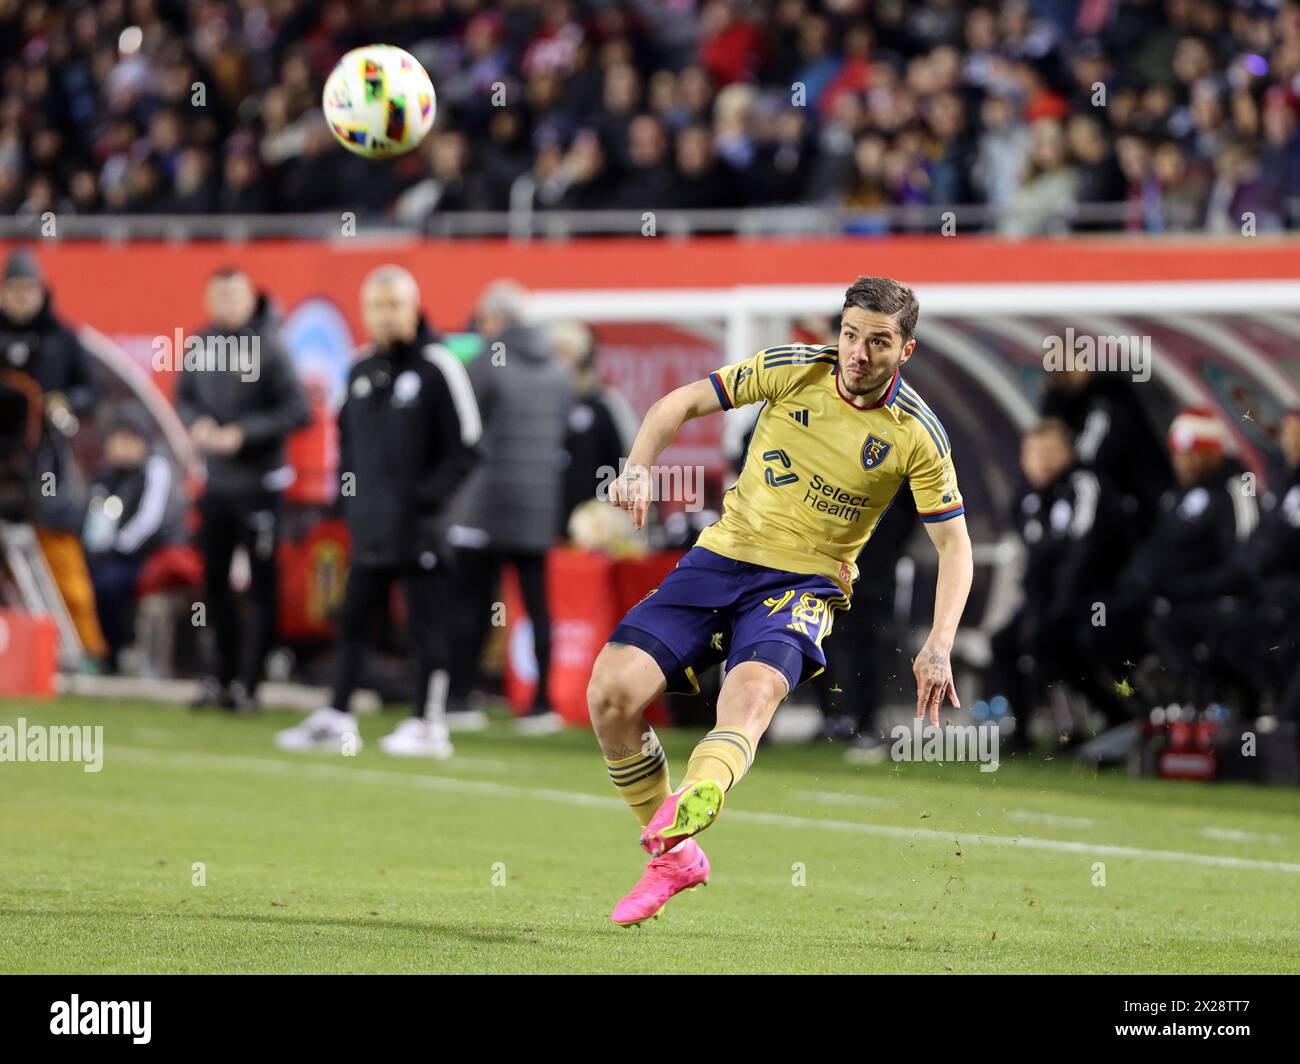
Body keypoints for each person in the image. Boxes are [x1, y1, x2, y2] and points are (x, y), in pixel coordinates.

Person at [591, 276, 974, 926]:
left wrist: (939, 643)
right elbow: (678, 403)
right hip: (721, 558)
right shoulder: (793, 367)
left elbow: (955, 548)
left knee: (752, 693)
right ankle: (674, 855)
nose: (857, 352)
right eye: (851, 334)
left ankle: (703, 790)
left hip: (805, 582)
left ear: (904, 350)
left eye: (877, 342)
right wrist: (637, 467)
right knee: (609, 695)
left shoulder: (917, 433)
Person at [274, 266, 481, 757]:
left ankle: (429, 725)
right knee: (351, 621)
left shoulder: (439, 366)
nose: (385, 316)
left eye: (394, 305)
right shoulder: (360, 368)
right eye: (376, 306)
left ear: (413, 308)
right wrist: (351, 504)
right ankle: (338, 714)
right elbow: (346, 446)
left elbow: (467, 447)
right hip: (371, 528)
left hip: (421, 529)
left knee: (425, 625)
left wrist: (425, 501)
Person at [177, 267, 311, 713]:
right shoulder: (199, 345)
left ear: (251, 298)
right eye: (220, 295)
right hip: (217, 485)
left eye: (236, 295)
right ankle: (220, 675)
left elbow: (298, 409)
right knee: (213, 583)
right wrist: (197, 422)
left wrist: (245, 432)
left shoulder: (272, 346)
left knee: (261, 587)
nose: (228, 304)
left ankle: (249, 686)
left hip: (260, 486)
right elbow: (185, 397)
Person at [445, 281, 574, 734]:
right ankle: (540, 705)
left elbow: (460, 432)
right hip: (537, 507)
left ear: (494, 319)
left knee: (471, 604)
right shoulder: (559, 369)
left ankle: (459, 696)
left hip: (483, 505)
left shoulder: (483, 364)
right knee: (537, 607)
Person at [983, 419, 1134, 741]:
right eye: (1034, 451)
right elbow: (1035, 559)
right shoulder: (1028, 498)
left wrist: (1055, 610)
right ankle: (1021, 730)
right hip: (1047, 599)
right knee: (1004, 641)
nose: (1042, 459)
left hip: (1097, 598)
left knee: (1051, 640)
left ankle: (1109, 717)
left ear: (1068, 453)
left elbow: (1083, 553)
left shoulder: (1085, 485)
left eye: (1050, 451)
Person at [0, 247, 107, 663]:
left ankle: (85, 651)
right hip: (3, 465)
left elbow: (92, 392)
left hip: (48, 469)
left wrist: (63, 402)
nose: (22, 298)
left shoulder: (63, 339)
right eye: (14, 290)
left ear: (43, 292)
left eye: (29, 290)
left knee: (62, 562)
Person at [83, 404, 177, 672]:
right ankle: (89, 649)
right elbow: (95, 515)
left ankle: (111, 651)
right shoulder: (107, 473)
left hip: (144, 555)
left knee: (108, 585)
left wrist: (116, 547)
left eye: (128, 438)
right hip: (106, 554)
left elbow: (150, 520)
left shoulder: (155, 468)